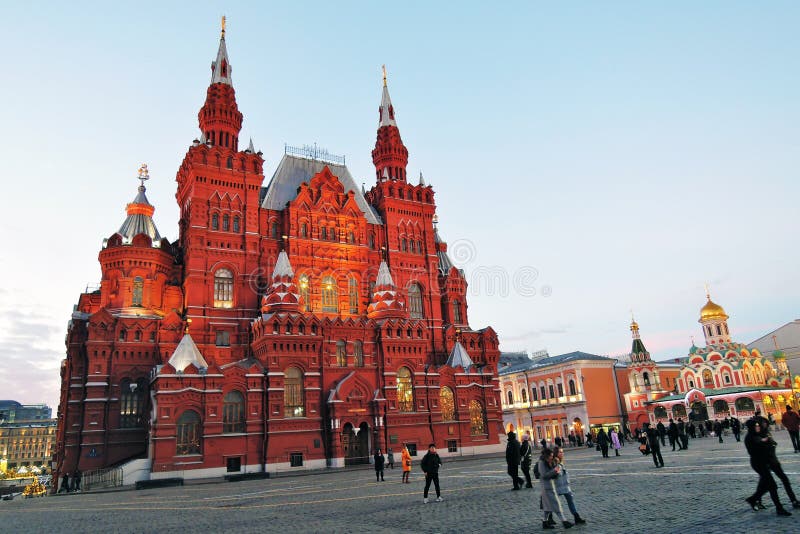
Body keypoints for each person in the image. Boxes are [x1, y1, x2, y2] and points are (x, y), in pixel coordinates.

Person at [744, 419, 793, 516]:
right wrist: (765, 442)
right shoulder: (750, 437)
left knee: (767, 485)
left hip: (765, 463)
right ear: (751, 428)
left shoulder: (759, 434)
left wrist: (768, 442)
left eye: (758, 426)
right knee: (772, 486)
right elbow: (759, 443)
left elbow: (770, 443)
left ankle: (753, 499)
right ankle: (779, 508)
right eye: (756, 426)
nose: (758, 427)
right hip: (758, 464)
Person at [538, 448, 573, 529]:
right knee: (556, 505)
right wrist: (555, 471)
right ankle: (564, 522)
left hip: (551, 486)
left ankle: (545, 522)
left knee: (547, 507)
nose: (551, 457)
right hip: (547, 487)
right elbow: (544, 475)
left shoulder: (547, 461)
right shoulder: (542, 463)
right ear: (546, 456)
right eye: (551, 456)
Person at [553, 446, 586, 525]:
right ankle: (548, 519)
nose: (562, 453)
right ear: (556, 453)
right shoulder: (555, 462)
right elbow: (556, 474)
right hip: (558, 486)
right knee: (553, 503)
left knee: (571, 501)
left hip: (565, 485)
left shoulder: (560, 461)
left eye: (562, 452)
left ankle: (576, 517)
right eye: (560, 452)